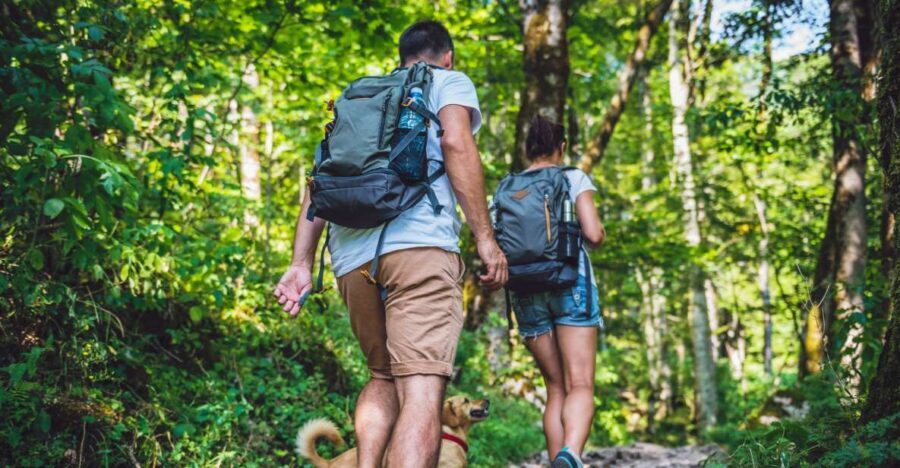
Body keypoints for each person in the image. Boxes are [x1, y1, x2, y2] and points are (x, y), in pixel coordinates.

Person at [273, 21, 508, 468]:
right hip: (418, 248)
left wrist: (300, 262)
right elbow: (457, 143)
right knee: (422, 385)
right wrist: (485, 238)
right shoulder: (447, 81)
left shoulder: (360, 97)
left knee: (381, 376)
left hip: (351, 257)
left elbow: (318, 177)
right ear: (447, 56)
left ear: (401, 56)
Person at [512, 116, 605, 468]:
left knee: (554, 387)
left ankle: (558, 461)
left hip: (525, 290)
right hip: (570, 283)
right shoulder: (572, 177)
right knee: (579, 383)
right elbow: (593, 235)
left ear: (527, 149)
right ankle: (570, 454)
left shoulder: (508, 187)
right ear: (561, 147)